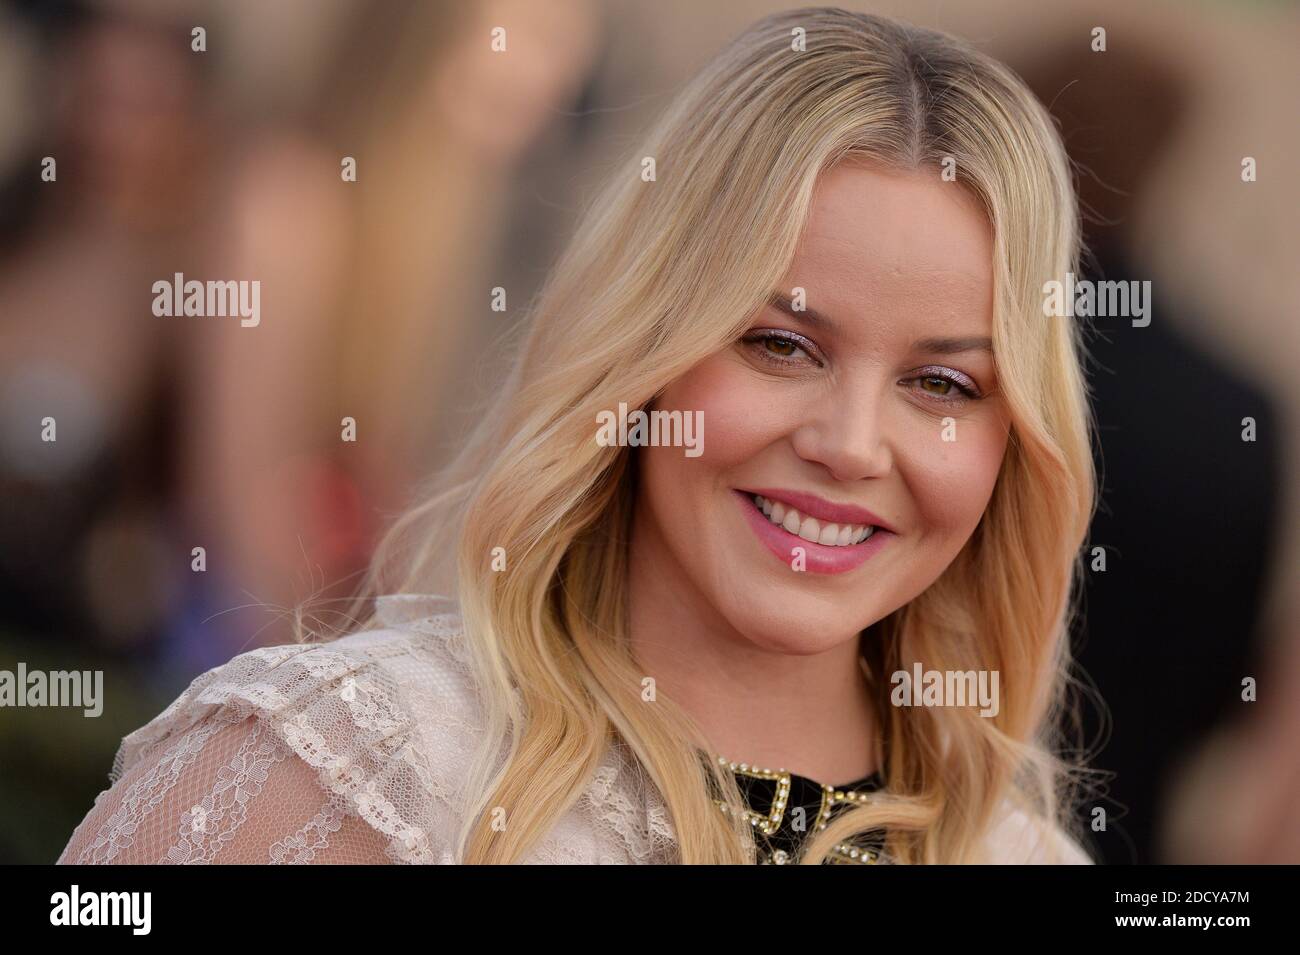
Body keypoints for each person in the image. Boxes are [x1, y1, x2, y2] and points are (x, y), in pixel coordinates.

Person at [58, 8, 1097, 865]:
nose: (852, 445)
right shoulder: (335, 767)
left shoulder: (1023, 856)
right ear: (647, 349)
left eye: (942, 383)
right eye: (781, 345)